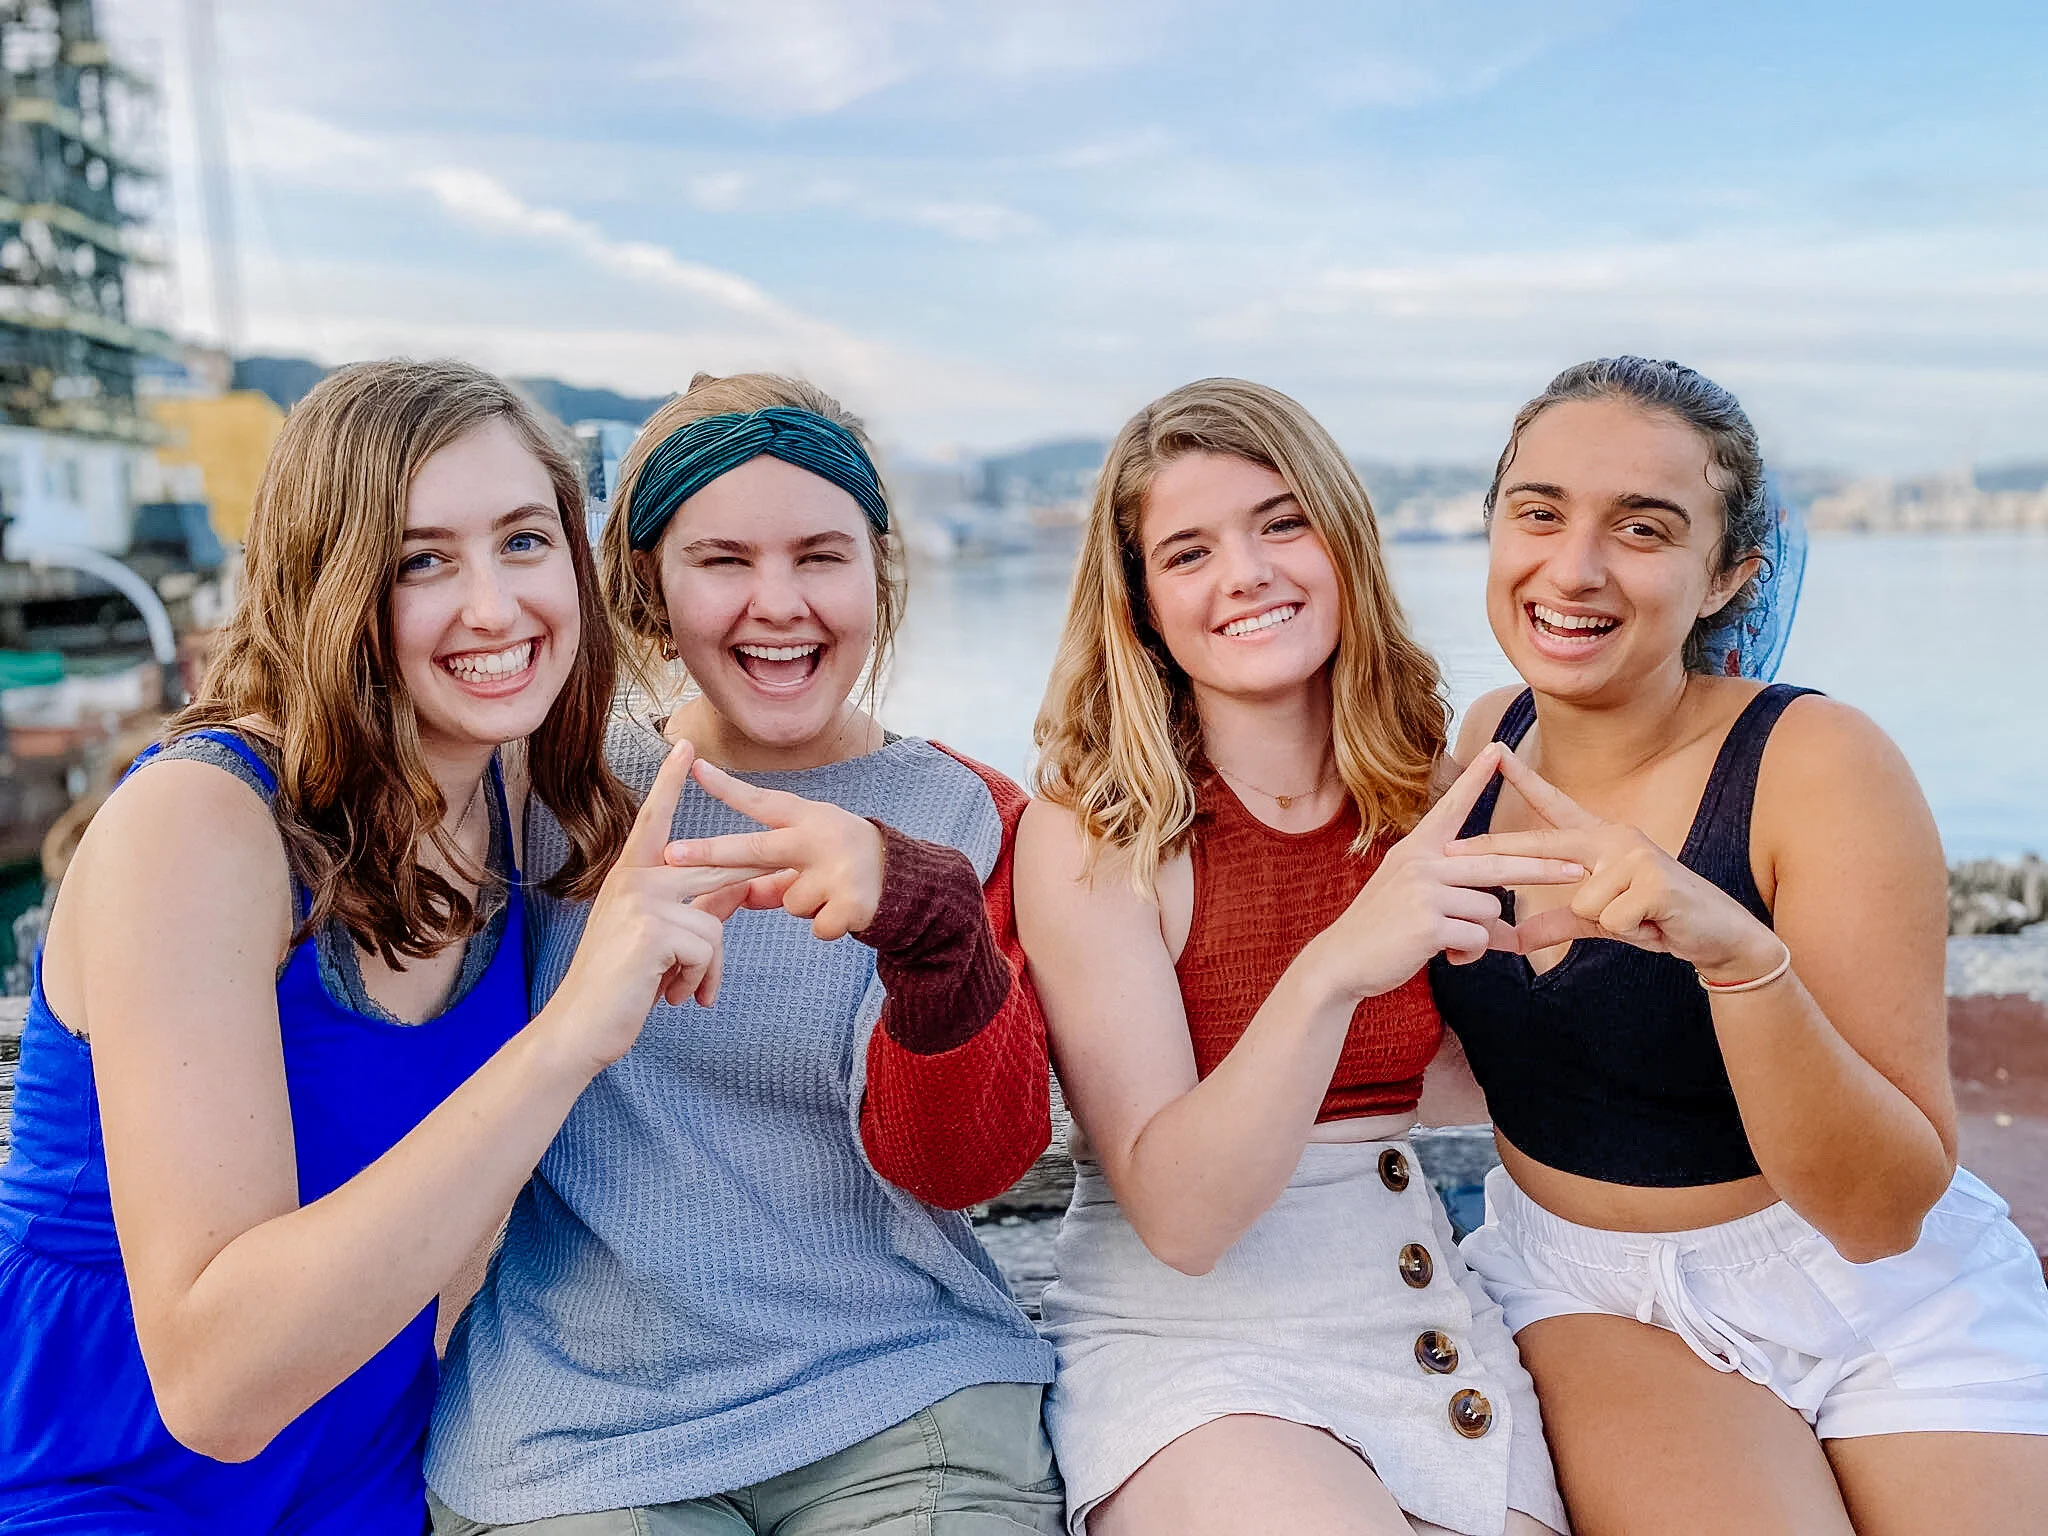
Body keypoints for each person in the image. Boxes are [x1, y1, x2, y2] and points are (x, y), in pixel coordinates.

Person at [0, 359, 744, 1531]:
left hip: (383, 1474)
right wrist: (566, 1039)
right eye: (421, 561)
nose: (494, 608)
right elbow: (215, 1388)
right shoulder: (199, 825)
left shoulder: (524, 788)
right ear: (327, 584)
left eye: (523, 540)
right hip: (107, 1480)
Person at [427, 373, 1065, 1534]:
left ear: (877, 575)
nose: (780, 604)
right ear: (650, 591)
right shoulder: (538, 792)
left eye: (820, 556)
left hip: (896, 1392)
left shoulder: (974, 818)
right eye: (723, 560)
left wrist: (927, 930)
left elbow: (966, 1168)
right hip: (579, 1424)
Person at [1430, 355, 2048, 1534]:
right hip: (1589, 1292)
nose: (1573, 567)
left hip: (1871, 1293)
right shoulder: (1483, 741)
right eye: (1539, 512)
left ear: (1726, 576)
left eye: (1642, 528)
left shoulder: (1816, 765)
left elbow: (1877, 1213)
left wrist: (1736, 962)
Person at [1017, 377, 1570, 1536]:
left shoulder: (1435, 783)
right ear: (1139, 606)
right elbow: (1179, 1215)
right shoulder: (1099, 829)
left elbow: (1483, 1077)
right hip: (1192, 1342)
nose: (1246, 575)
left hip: (1415, 1310)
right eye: (1186, 552)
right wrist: (1333, 965)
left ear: (1343, 541)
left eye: (1281, 523)